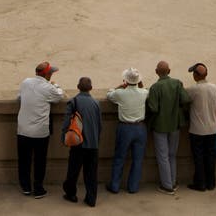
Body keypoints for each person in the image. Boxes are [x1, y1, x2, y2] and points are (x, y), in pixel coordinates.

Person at [17, 61, 64, 199]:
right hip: (40, 133)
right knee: (40, 161)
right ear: (47, 75)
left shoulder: (25, 82)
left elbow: (19, 97)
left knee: (24, 160)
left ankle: (25, 187)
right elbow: (59, 96)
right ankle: (38, 189)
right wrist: (55, 85)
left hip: (23, 130)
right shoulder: (48, 88)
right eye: (51, 73)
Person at [147, 60, 190, 195]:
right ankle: (173, 181)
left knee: (163, 156)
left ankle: (167, 186)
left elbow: (153, 108)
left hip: (160, 126)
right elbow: (186, 99)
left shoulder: (155, 88)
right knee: (172, 155)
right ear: (169, 71)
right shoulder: (177, 83)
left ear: (156, 72)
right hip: (175, 125)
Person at [105, 67, 148, 195]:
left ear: (125, 80)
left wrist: (119, 86)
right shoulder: (144, 92)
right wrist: (140, 85)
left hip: (125, 128)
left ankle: (115, 185)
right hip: (140, 128)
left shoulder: (120, 93)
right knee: (138, 159)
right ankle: (133, 187)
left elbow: (109, 94)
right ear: (138, 81)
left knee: (119, 157)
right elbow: (145, 90)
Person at [61, 77, 102, 207]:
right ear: (91, 88)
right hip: (93, 144)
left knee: (73, 170)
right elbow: (100, 125)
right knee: (91, 174)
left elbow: (67, 123)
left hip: (78, 143)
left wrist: (64, 138)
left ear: (78, 87)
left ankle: (71, 194)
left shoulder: (73, 102)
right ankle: (91, 199)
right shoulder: (96, 103)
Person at [186, 62, 216, 192]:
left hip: (197, 130)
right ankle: (211, 183)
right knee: (210, 157)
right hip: (212, 128)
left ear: (196, 75)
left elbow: (184, 100)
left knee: (198, 158)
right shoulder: (215, 88)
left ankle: (200, 184)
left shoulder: (192, 90)